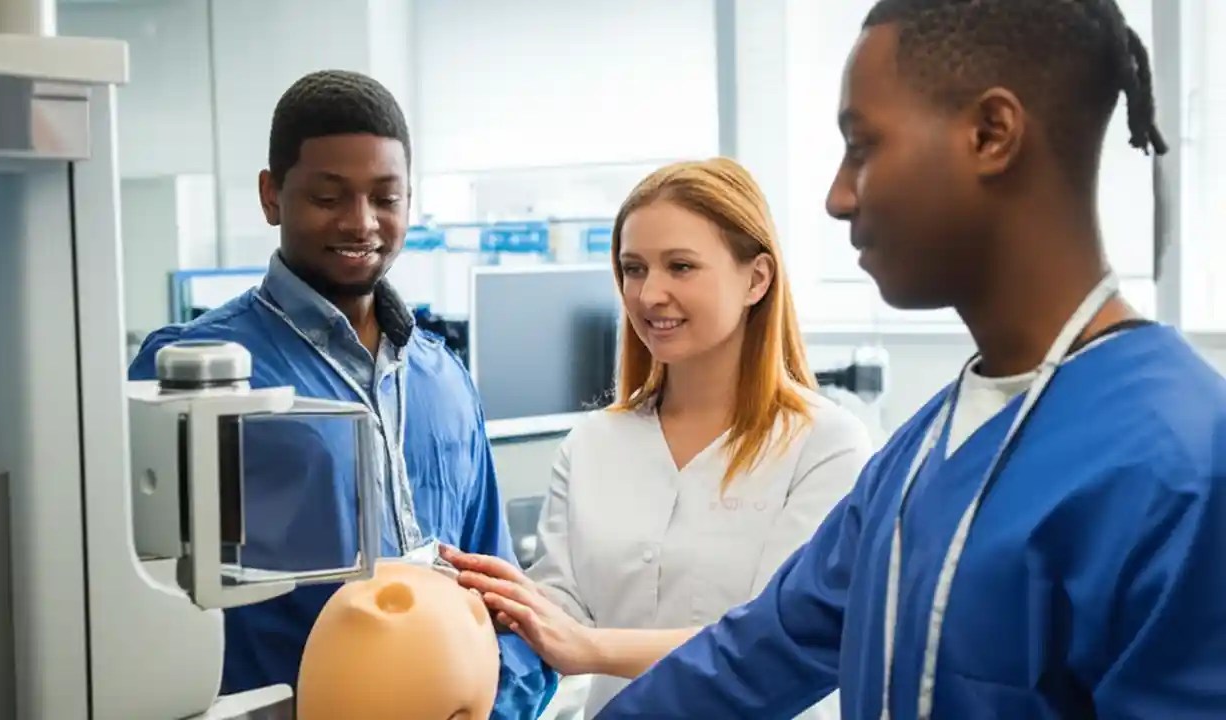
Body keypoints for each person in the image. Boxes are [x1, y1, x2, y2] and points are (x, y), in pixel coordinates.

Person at [591, 1, 1226, 718]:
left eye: (862, 146)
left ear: (991, 134)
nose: (837, 197)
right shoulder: (919, 456)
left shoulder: (1185, 461)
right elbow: (760, 651)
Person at [128, 70, 556, 719]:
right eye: (329, 197)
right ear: (272, 196)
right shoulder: (188, 370)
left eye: (386, 198)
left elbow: (502, 595)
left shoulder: (444, 377)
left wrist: (504, 703)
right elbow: (138, 605)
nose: (362, 223)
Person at [441, 157, 874, 718]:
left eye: (681, 267)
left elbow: (776, 643)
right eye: (634, 268)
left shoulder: (827, 445)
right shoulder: (594, 443)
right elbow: (563, 611)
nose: (649, 295)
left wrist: (588, 647)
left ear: (757, 278)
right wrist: (499, 603)